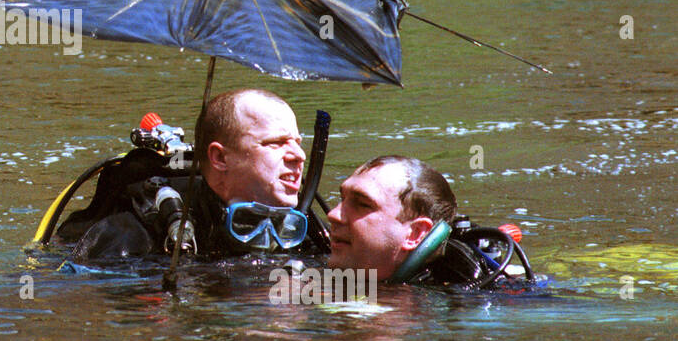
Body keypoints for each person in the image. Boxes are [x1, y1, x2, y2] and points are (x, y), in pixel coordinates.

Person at [56, 88, 310, 261]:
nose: (299, 155)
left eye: (297, 142)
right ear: (220, 158)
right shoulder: (128, 241)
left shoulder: (308, 237)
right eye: (276, 143)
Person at [325, 155, 533, 287]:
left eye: (362, 204)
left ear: (415, 234)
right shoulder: (310, 265)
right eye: (342, 199)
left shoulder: (454, 302)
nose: (333, 214)